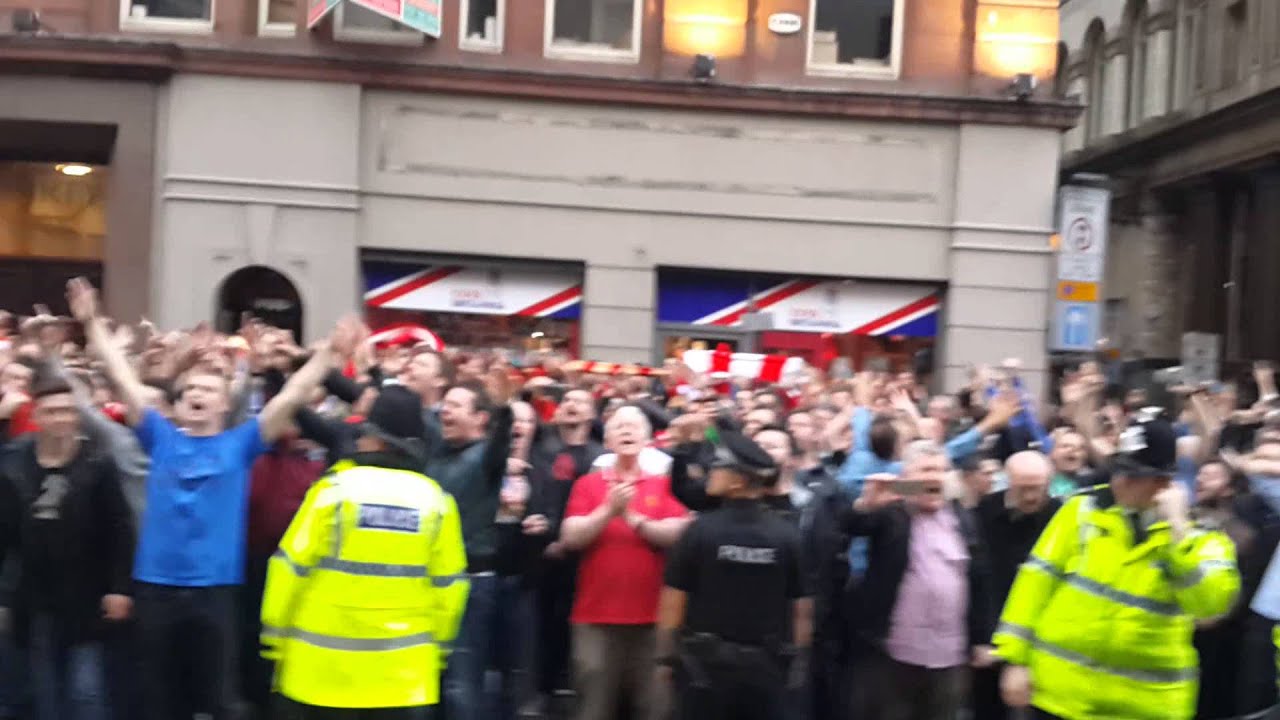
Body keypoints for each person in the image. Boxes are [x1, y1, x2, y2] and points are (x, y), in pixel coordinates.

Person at [66, 277, 343, 720]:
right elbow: (120, 375)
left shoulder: (242, 443)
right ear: (177, 404)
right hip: (156, 589)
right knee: (156, 699)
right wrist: (90, 324)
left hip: (214, 592)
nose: (196, 394)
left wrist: (329, 354)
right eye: (190, 390)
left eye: (208, 390)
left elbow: (291, 397)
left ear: (224, 404)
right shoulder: (159, 437)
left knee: (218, 699)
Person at [995, 412, 1241, 720]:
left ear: (1163, 481)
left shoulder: (1205, 537)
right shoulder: (1081, 511)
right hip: (1058, 697)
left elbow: (1210, 605)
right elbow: (1035, 582)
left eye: (1133, 475)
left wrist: (1179, 533)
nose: (1119, 482)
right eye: (1119, 470)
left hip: (1142, 708)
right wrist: (1014, 659)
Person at [262, 385, 469, 719]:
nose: (357, 441)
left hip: (320, 672)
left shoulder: (333, 492)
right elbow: (450, 587)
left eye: (364, 434)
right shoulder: (437, 502)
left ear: (377, 440)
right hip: (402, 679)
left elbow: (289, 569)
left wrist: (275, 640)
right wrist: (439, 651)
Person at [0, 375, 135, 720]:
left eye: (68, 411)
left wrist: (120, 588)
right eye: (53, 412)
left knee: (87, 692)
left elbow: (119, 529)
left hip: (87, 595)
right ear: (37, 416)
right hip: (35, 597)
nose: (62, 419)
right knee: (46, 690)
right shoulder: (15, 462)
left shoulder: (97, 463)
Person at [656, 430, 811, 720]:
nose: (711, 472)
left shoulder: (699, 531)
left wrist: (665, 658)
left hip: (703, 669)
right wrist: (798, 660)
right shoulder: (786, 535)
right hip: (766, 668)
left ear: (738, 480)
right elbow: (802, 607)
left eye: (719, 467)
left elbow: (673, 600)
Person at [839, 442, 988, 720]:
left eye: (942, 470)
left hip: (950, 654)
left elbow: (978, 579)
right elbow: (850, 526)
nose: (935, 476)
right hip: (894, 653)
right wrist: (865, 505)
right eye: (926, 469)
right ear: (907, 477)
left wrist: (980, 639)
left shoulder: (963, 518)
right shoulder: (893, 512)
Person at [559, 406, 690, 720]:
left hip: (654, 619)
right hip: (595, 617)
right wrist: (608, 510)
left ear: (648, 439)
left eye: (634, 427)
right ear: (606, 440)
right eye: (619, 427)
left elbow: (681, 533)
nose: (627, 432)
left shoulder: (664, 484)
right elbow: (570, 536)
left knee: (654, 707)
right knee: (593, 706)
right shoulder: (588, 484)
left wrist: (632, 517)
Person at [970, 451, 1060, 720]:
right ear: (1007, 482)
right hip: (991, 634)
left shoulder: (1060, 516)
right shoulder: (983, 513)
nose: (1031, 497)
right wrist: (980, 638)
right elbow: (977, 581)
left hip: (1041, 642)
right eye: (1023, 489)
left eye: (1038, 489)